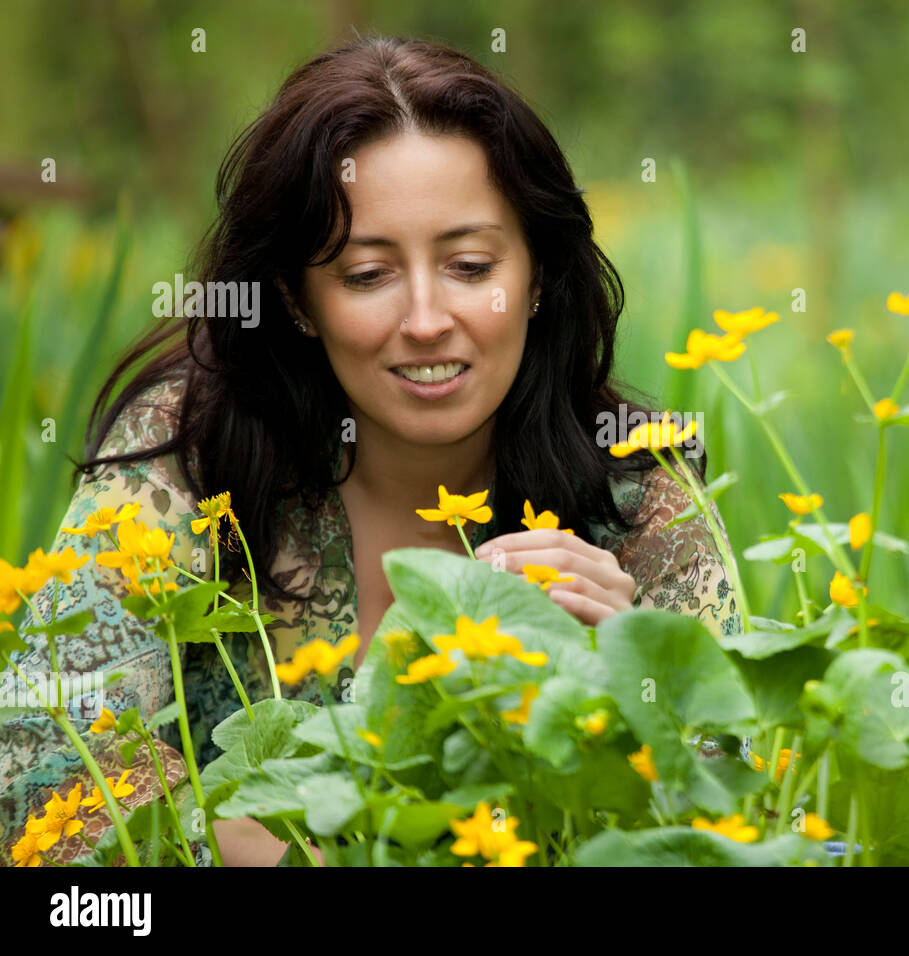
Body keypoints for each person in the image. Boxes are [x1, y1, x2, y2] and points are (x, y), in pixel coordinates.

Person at [1, 36, 740, 866]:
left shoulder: (635, 486)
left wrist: (638, 679)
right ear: (296, 301)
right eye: (366, 276)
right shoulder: (189, 452)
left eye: (468, 265)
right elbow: (36, 768)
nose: (425, 319)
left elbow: (737, 807)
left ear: (536, 279)